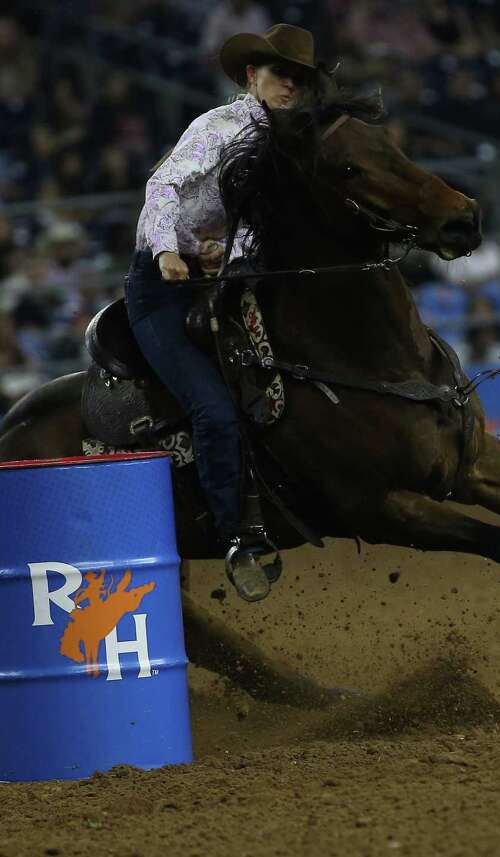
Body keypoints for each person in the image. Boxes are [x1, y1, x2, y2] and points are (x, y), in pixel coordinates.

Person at [125, 24, 319, 603]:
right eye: (279, 72)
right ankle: (236, 536)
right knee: (212, 408)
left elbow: (256, 227)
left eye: (298, 77)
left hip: (224, 287)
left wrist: (232, 258)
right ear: (249, 77)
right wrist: (165, 251)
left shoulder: (287, 147)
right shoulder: (218, 127)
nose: (289, 83)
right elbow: (162, 186)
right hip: (163, 290)